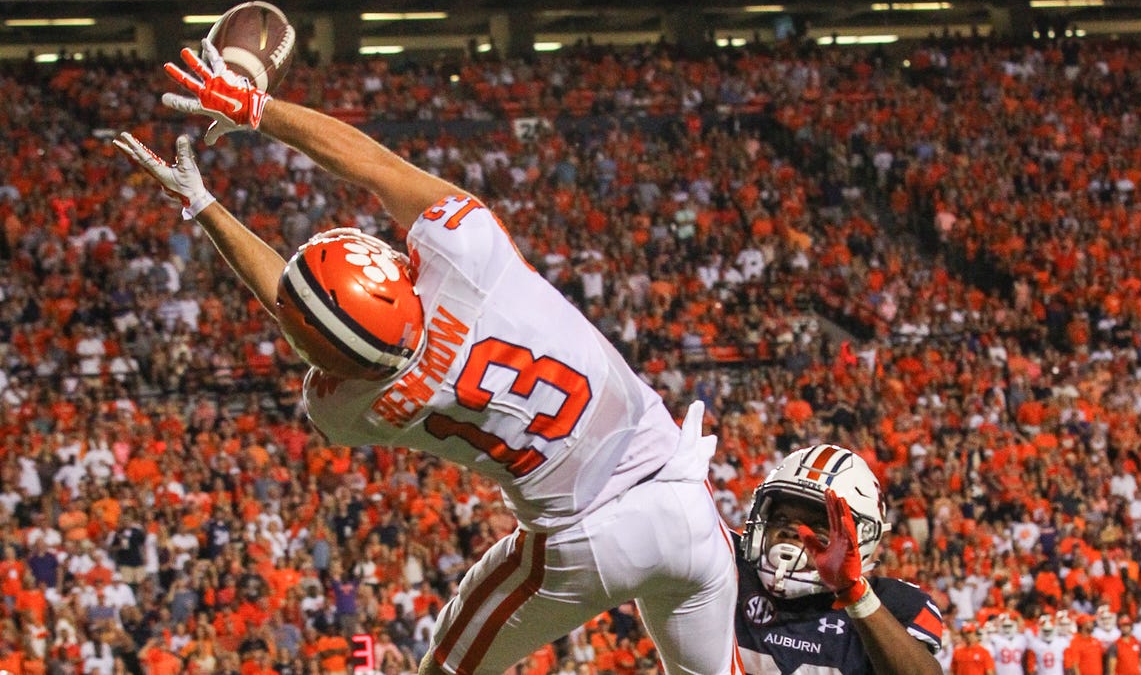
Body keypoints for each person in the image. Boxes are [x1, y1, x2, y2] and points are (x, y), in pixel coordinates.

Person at [114, 40, 741, 675]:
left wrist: (205, 206)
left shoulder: (353, 407)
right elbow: (374, 166)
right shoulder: (466, 262)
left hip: (580, 548)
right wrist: (256, 108)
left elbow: (303, 316)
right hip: (681, 490)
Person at [733, 443, 943, 674]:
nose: (792, 533)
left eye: (818, 526)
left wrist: (856, 596)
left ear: (861, 537)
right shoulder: (731, 568)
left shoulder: (891, 603)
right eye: (781, 519)